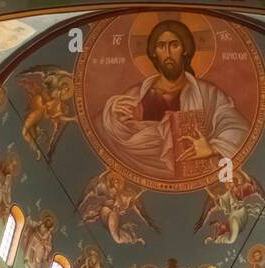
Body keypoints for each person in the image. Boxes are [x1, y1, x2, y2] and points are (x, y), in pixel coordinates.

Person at [99, 19, 249, 180]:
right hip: (146, 175)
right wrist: (112, 117)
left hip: (189, 176)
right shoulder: (136, 95)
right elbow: (105, 134)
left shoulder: (207, 93)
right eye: (161, 46)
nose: (168, 53)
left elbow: (239, 127)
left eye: (174, 45)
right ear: (154, 52)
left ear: (185, 50)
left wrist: (212, 148)